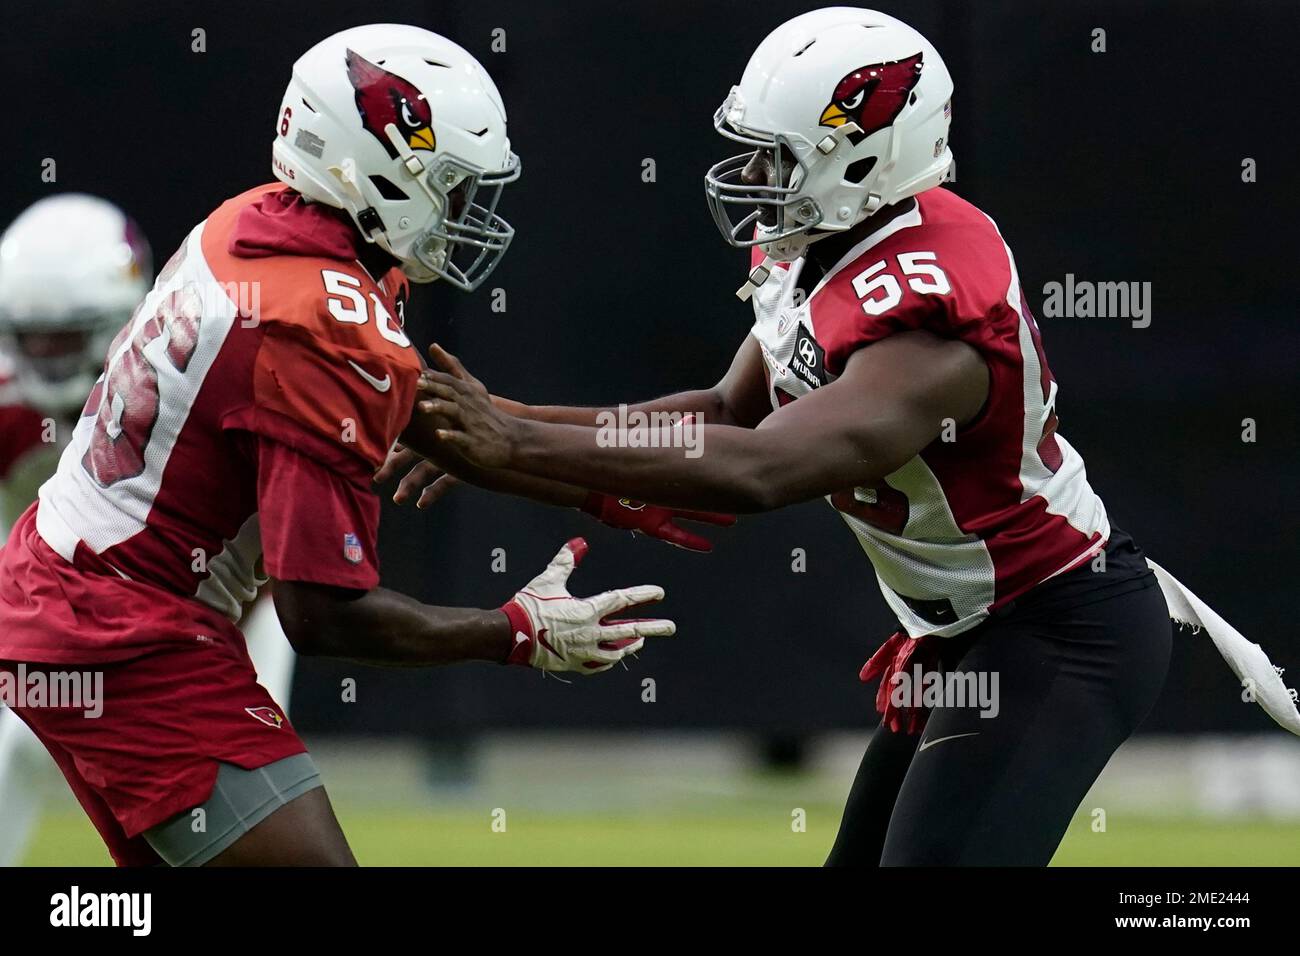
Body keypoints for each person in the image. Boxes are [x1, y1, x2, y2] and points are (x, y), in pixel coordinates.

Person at [396, 7, 1300, 865]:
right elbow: (719, 417)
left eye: (778, 158)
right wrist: (499, 425)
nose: (753, 180)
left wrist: (509, 449)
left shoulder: (930, 319)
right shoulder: (817, 249)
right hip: (964, 639)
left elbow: (763, 467)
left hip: (1056, 631)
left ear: (864, 158)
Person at [0, 24, 680, 868]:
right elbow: (321, 612)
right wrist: (512, 632)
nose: (469, 215)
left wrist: (606, 484)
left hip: (72, 594)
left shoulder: (261, 227)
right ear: (379, 172)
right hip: (125, 630)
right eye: (453, 188)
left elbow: (458, 422)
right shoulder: (314, 318)